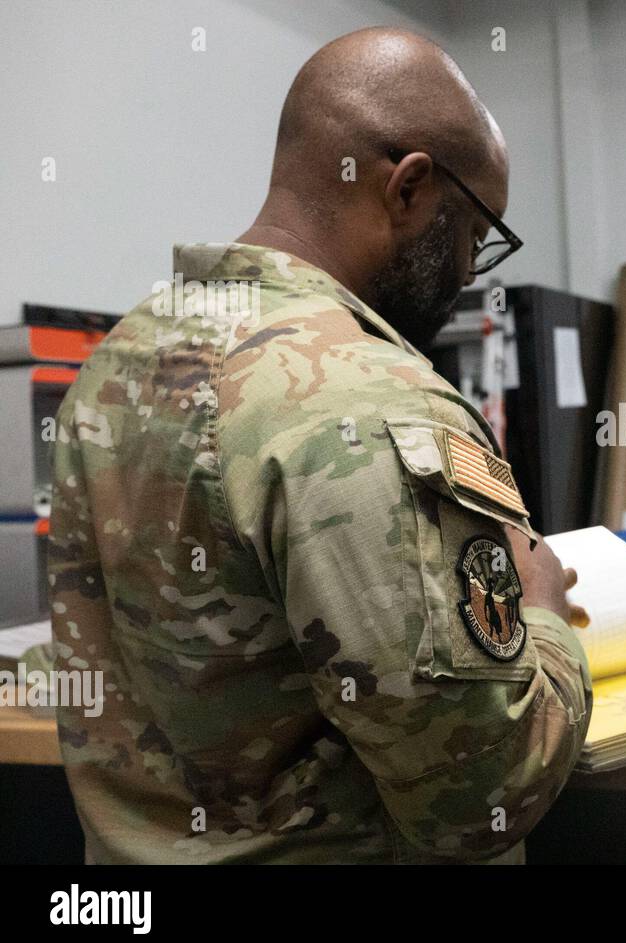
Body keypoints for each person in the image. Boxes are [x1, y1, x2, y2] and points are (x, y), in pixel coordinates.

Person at [48, 27, 592, 864]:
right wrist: (548, 618)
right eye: (475, 232)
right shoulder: (372, 402)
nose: (469, 270)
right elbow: (480, 793)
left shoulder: (117, 363)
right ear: (410, 189)